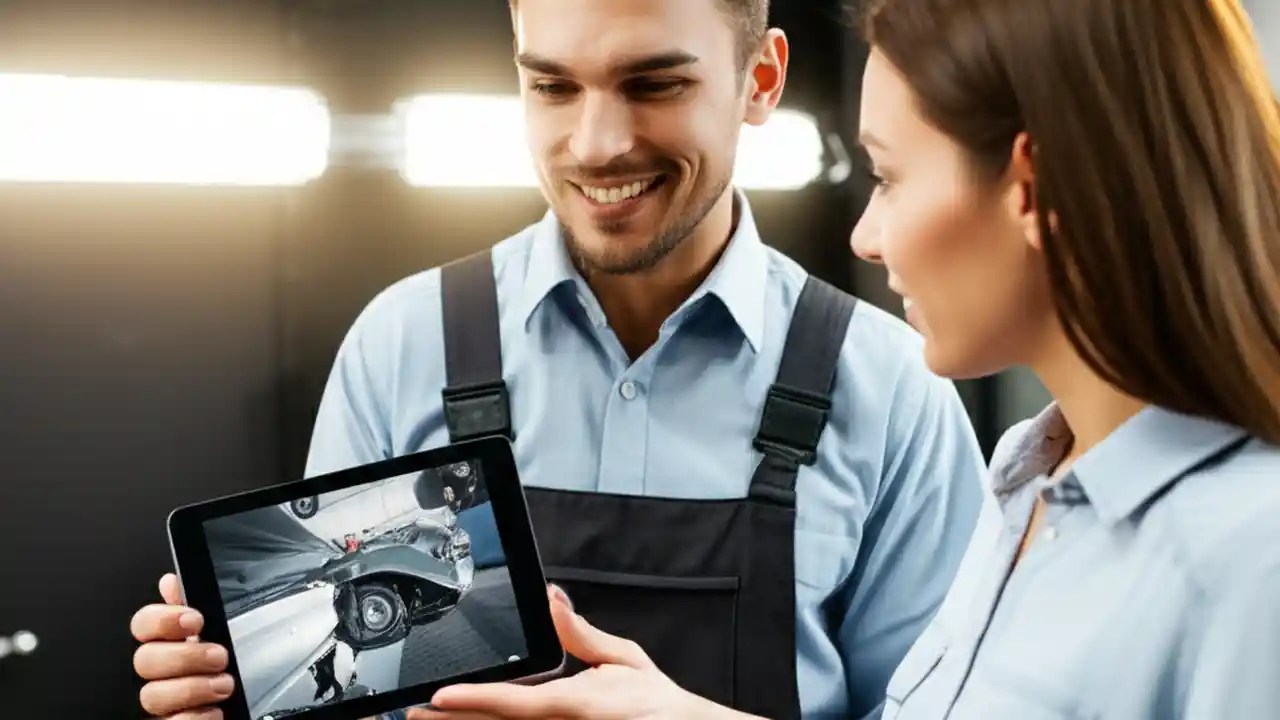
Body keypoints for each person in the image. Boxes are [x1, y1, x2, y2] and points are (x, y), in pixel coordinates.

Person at [404, 0, 1280, 717]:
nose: (861, 235)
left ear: (1030, 188)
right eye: (552, 84)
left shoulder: (1251, 563)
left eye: (889, 178)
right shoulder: (1029, 485)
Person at [127, 0, 989, 718]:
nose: (596, 143)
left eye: (655, 83)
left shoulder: (892, 392)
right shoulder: (401, 347)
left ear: (758, 79)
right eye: (552, 85)